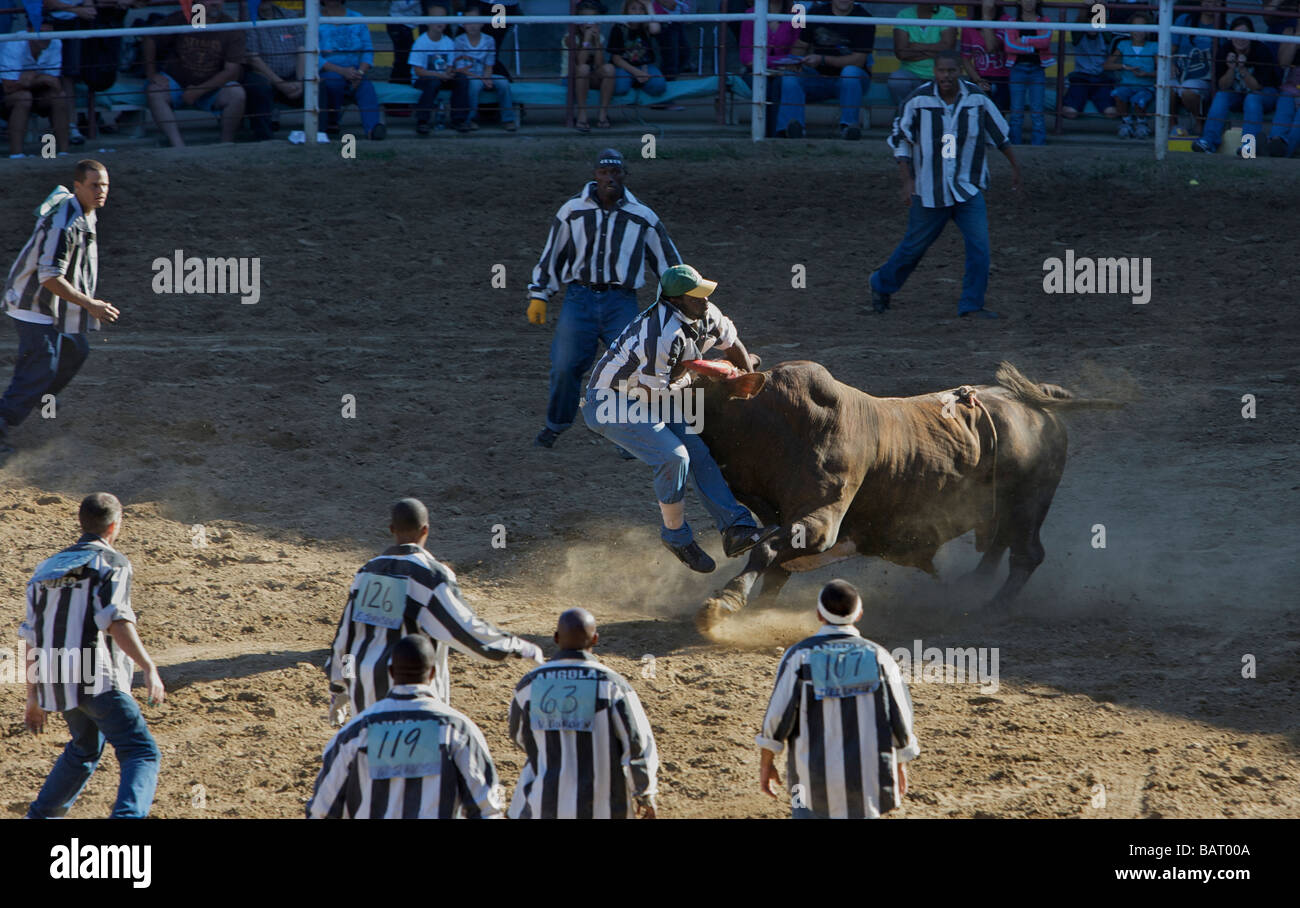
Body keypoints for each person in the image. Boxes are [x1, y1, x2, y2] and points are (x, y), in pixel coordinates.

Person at [582, 264, 782, 571]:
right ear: (676, 301)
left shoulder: (706, 312)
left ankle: (736, 528)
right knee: (674, 456)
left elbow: (733, 345)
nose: (704, 300)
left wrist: (749, 381)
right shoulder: (661, 335)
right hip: (613, 400)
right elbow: (656, 394)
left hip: (651, 391)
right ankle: (676, 536)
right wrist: (709, 376)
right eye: (696, 296)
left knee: (699, 452)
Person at [326, 498, 543, 724]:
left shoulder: (366, 573)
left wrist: (339, 686)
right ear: (426, 530)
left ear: (391, 529)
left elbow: (346, 639)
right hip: (417, 704)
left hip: (366, 699)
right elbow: (464, 628)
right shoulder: (429, 575)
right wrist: (517, 646)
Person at [20, 493, 165, 819]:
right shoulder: (111, 563)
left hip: (57, 679)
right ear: (115, 526)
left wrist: (33, 696)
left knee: (85, 747)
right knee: (140, 752)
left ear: (80, 522)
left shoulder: (45, 568)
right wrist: (149, 667)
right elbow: (116, 621)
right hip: (98, 677)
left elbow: (31, 636)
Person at [526, 148, 682, 451]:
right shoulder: (571, 211)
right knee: (563, 365)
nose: (610, 178)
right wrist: (539, 293)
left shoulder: (642, 217)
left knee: (631, 369)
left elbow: (669, 264)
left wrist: (680, 299)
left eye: (615, 173)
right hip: (579, 297)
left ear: (624, 176)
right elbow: (552, 254)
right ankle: (555, 424)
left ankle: (628, 435)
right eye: (604, 173)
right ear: (595, 175)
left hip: (621, 300)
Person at [869, 50, 1021, 319]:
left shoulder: (977, 99)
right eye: (942, 71)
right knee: (913, 247)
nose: (946, 76)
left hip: (967, 187)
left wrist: (1014, 166)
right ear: (935, 72)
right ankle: (881, 283)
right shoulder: (918, 100)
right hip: (929, 188)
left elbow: (999, 134)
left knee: (980, 247)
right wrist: (907, 181)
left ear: (959, 71)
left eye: (951, 71)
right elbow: (900, 139)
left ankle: (972, 305)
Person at [755, 580, 919, 819]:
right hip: (866, 776)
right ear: (859, 614)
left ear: (819, 615)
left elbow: (778, 714)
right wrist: (901, 762)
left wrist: (767, 760)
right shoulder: (879, 657)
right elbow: (900, 716)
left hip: (810, 777)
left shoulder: (799, 656)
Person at [308, 634, 503, 818]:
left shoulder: (354, 733)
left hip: (366, 705)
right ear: (433, 673)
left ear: (391, 672)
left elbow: (321, 809)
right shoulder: (458, 730)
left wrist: (339, 686)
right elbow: (487, 807)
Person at [0, 161, 115, 460]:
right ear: (78, 186)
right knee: (41, 366)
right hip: (32, 304)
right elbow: (49, 277)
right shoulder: (65, 223)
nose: (101, 191)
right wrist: (90, 304)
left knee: (75, 349)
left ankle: (40, 395)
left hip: (52, 305)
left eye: (104, 185)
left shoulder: (82, 209)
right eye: (94, 185)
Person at [507, 608, 658, 818]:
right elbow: (637, 744)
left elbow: (519, 737)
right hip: (604, 807)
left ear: (556, 638)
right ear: (595, 639)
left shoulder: (529, 685)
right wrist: (644, 794)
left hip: (543, 805)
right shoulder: (612, 685)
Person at [143, 0, 247, 147]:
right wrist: (151, 73)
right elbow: (150, 37)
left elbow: (231, 71)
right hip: (176, 83)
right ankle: (178, 146)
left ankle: (226, 144)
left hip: (212, 89)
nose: (215, 3)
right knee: (154, 91)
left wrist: (198, 91)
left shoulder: (230, 27)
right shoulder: (182, 18)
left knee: (237, 93)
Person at [773, 0, 874, 140]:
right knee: (790, 76)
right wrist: (794, 62)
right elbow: (801, 44)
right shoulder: (816, 13)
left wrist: (821, 59)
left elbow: (858, 61)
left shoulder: (864, 18)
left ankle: (849, 128)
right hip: (817, 77)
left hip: (851, 82)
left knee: (850, 72)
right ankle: (791, 130)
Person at [1193, 17, 1282, 155]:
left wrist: (1242, 70)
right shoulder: (1225, 50)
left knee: (1252, 99)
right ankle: (1208, 142)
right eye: (1237, 35)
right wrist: (1230, 69)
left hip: (1264, 94)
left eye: (1244, 35)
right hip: (1238, 94)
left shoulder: (1261, 50)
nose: (1240, 39)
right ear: (1231, 36)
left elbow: (1257, 87)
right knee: (1222, 96)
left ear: (1251, 35)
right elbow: (1222, 86)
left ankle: (1249, 146)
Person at [318, 0, 386, 139]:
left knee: (366, 88)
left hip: (356, 69)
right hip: (330, 69)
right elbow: (315, 56)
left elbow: (368, 49)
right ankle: (332, 121)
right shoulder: (315, 20)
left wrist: (360, 73)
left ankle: (373, 130)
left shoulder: (357, 17)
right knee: (333, 82)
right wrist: (342, 71)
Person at [1, 22, 68, 158]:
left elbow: (54, 83)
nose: (45, 38)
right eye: (41, 33)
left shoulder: (55, 42)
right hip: (4, 94)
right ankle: (16, 155)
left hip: (35, 90)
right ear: (29, 31)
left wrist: (33, 78)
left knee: (59, 96)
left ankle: (63, 153)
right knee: (24, 98)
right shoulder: (14, 44)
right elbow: (8, 87)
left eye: (48, 34)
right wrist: (40, 78)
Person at [242, 0, 306, 141]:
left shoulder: (289, 15)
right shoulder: (247, 19)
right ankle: (264, 140)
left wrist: (301, 81)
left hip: (294, 77)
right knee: (259, 86)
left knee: (319, 85)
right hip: (265, 76)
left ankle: (318, 135)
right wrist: (280, 83)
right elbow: (253, 58)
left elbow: (302, 49)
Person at [410, 2, 471, 134]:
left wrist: (449, 73)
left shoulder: (448, 42)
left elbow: (450, 65)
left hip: (442, 77)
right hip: (423, 79)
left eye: (443, 18)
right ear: (427, 21)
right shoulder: (421, 42)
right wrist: (440, 75)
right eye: (435, 18)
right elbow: (418, 71)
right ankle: (422, 121)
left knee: (461, 79)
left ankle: (459, 120)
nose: (440, 22)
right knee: (433, 81)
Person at [998, 0, 1052, 145]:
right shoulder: (1012, 21)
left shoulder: (1045, 20)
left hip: (1037, 69)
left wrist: (1022, 40)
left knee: (1037, 111)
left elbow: (1045, 41)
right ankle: (1015, 146)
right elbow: (1009, 46)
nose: (1028, 2)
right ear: (1019, 2)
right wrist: (1032, 48)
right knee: (1016, 111)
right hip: (1017, 69)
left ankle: (1038, 146)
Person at [44, 0, 94, 146]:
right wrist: (76, 10)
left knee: (67, 79)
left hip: (73, 25)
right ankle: (54, 130)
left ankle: (70, 127)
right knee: (50, 79)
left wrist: (87, 4)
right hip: (48, 22)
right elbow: (47, 3)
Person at [453, 17, 517, 130]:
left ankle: (508, 119)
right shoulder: (459, 40)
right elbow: (460, 69)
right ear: (463, 25)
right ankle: (471, 119)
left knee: (503, 83)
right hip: (470, 76)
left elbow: (489, 64)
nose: (472, 26)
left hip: (485, 75)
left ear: (482, 23)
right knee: (474, 85)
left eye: (476, 22)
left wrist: (486, 77)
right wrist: (481, 78)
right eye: (469, 22)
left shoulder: (489, 40)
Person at [888, 3, 957, 106]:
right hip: (910, 73)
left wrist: (915, 47)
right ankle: (905, 115)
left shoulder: (948, 14)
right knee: (896, 81)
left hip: (940, 75)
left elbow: (947, 49)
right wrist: (934, 52)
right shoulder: (904, 15)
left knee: (948, 78)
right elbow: (901, 53)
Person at [563, 0, 615, 132]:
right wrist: (586, 41)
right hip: (571, 78)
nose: (588, 23)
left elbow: (599, 65)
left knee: (609, 68)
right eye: (584, 19)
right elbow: (580, 63)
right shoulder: (570, 38)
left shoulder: (600, 37)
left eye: (593, 19)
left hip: (590, 76)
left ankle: (603, 114)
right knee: (584, 68)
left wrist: (597, 42)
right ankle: (582, 114)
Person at [1103, 10, 1157, 139]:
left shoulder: (1154, 46)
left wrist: (1147, 74)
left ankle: (1141, 124)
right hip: (1126, 84)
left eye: (1143, 28)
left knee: (1139, 100)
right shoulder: (1123, 45)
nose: (1138, 31)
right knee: (1118, 94)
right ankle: (1126, 122)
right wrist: (1124, 66)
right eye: (1135, 27)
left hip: (1146, 87)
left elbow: (1161, 71)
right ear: (1129, 30)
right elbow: (1107, 65)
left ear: (1148, 30)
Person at [1060, 2, 1117, 122]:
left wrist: (1098, 4)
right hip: (1081, 78)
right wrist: (1085, 5)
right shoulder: (1078, 35)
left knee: (1110, 112)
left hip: (1101, 79)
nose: (1093, 25)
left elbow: (1101, 16)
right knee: (1070, 112)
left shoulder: (1105, 35)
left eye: (1096, 21)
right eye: (1090, 21)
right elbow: (1080, 20)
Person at [1171, 0, 1220, 135]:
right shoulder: (1184, 19)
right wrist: (1169, 64)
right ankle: (1171, 125)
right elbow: (1171, 48)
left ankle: (1199, 123)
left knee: (1188, 90)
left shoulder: (1223, 26)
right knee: (1165, 85)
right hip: (1179, 70)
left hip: (1203, 76)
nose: (1211, 3)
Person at [609, 0, 668, 99]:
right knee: (620, 88)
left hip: (645, 66)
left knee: (659, 87)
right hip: (625, 67)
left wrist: (648, 4)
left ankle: (639, 84)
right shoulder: (619, 27)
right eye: (633, 8)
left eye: (642, 9)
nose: (638, 12)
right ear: (626, 10)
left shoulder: (645, 26)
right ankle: (634, 81)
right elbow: (616, 58)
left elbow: (655, 29)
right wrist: (636, 72)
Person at [959, 0, 1009, 111]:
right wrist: (978, 80)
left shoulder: (1006, 20)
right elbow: (965, 58)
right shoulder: (969, 23)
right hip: (979, 77)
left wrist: (986, 16)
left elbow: (991, 47)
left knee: (998, 112)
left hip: (1003, 78)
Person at [1266, 26, 1299, 157]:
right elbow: (1283, 63)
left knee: (1298, 124)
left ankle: (1276, 154)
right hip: (1290, 88)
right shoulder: (1289, 31)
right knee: (1282, 115)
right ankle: (1275, 141)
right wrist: (1296, 38)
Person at [387, 0, 422, 86]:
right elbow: (403, 5)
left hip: (406, 24)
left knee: (404, 56)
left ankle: (400, 82)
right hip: (397, 23)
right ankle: (397, 84)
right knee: (403, 56)